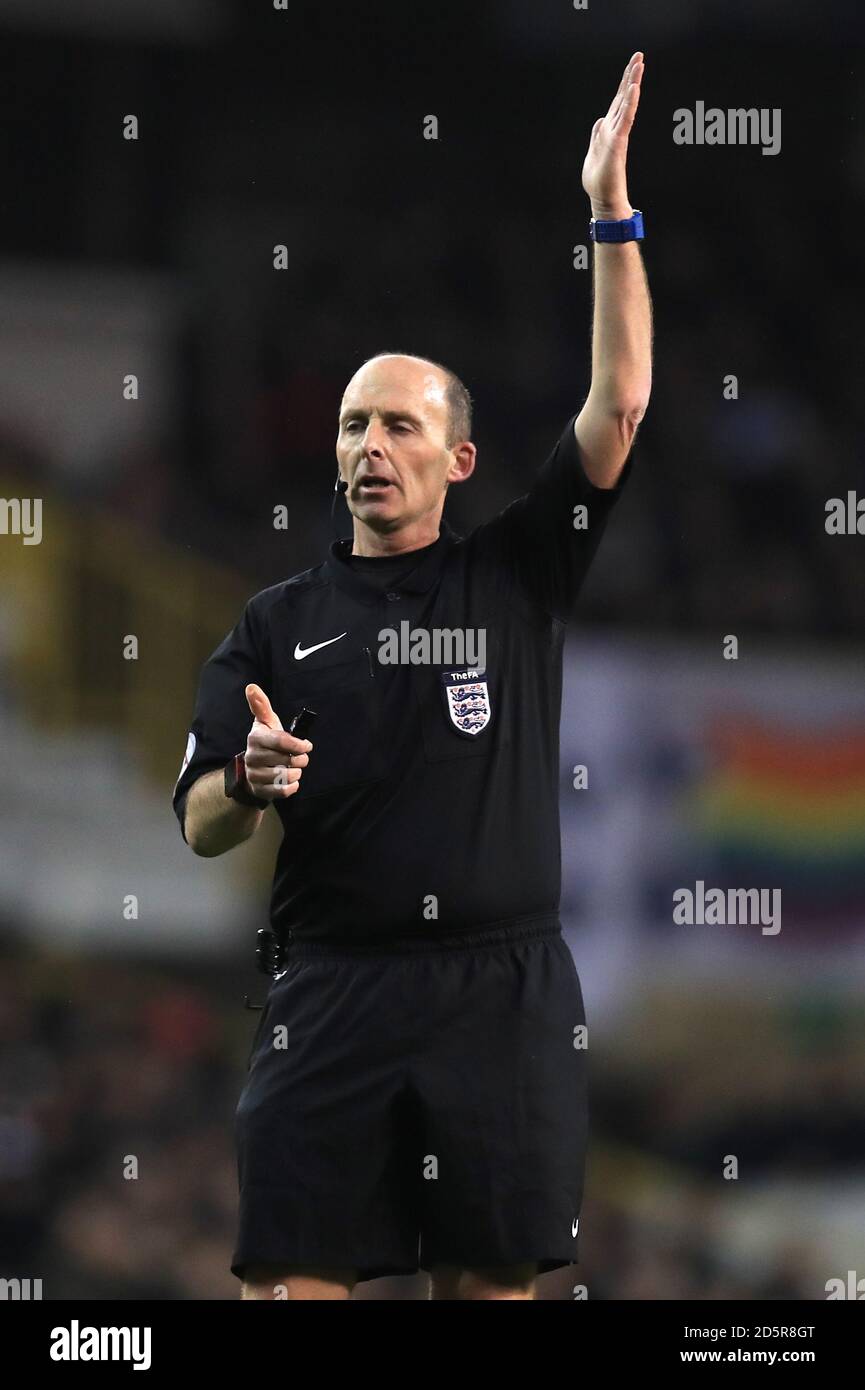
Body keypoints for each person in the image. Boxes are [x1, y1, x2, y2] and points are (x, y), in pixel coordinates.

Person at [173, 51, 652, 1300]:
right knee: (292, 1286)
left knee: (490, 1293)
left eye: (398, 425)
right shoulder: (277, 621)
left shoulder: (519, 574)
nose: (368, 446)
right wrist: (248, 774)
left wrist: (608, 209)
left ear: (458, 457)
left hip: (499, 992)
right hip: (329, 991)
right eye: (350, 425)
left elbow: (621, 403)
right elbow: (199, 825)